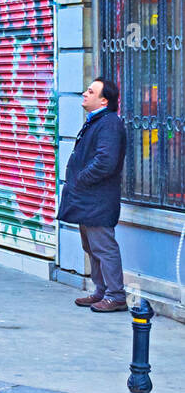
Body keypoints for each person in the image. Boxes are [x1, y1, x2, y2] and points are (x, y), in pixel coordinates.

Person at [59, 77, 128, 313]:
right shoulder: (96, 121)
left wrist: (82, 179)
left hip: (98, 199)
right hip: (88, 199)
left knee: (103, 247)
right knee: (91, 247)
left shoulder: (109, 123)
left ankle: (116, 295)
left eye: (91, 91)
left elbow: (105, 162)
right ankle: (101, 291)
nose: (84, 94)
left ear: (104, 100)